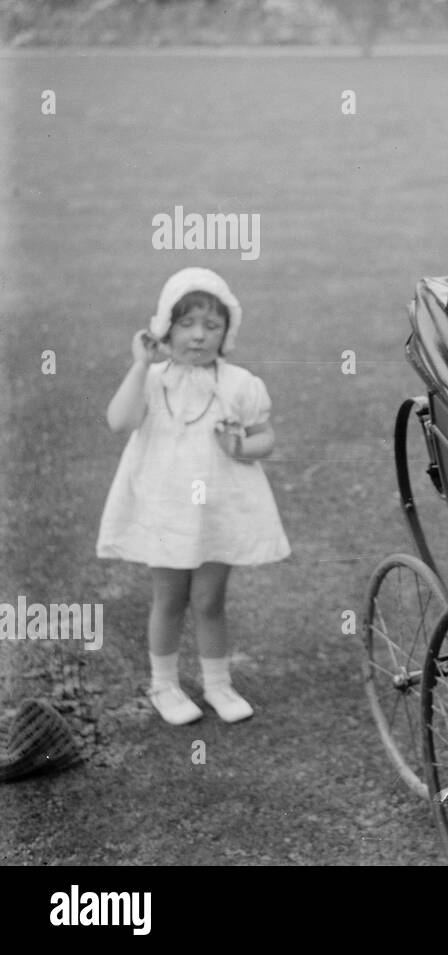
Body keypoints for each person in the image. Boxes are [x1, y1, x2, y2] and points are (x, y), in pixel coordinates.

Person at [97, 268, 290, 726]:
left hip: (217, 508)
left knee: (209, 599)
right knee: (169, 597)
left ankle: (217, 683)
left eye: (211, 326)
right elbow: (118, 421)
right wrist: (140, 363)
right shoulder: (153, 379)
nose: (199, 336)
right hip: (167, 508)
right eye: (185, 324)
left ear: (227, 332)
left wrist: (240, 447)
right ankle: (163, 684)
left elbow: (266, 438)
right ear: (165, 327)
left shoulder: (240, 384)